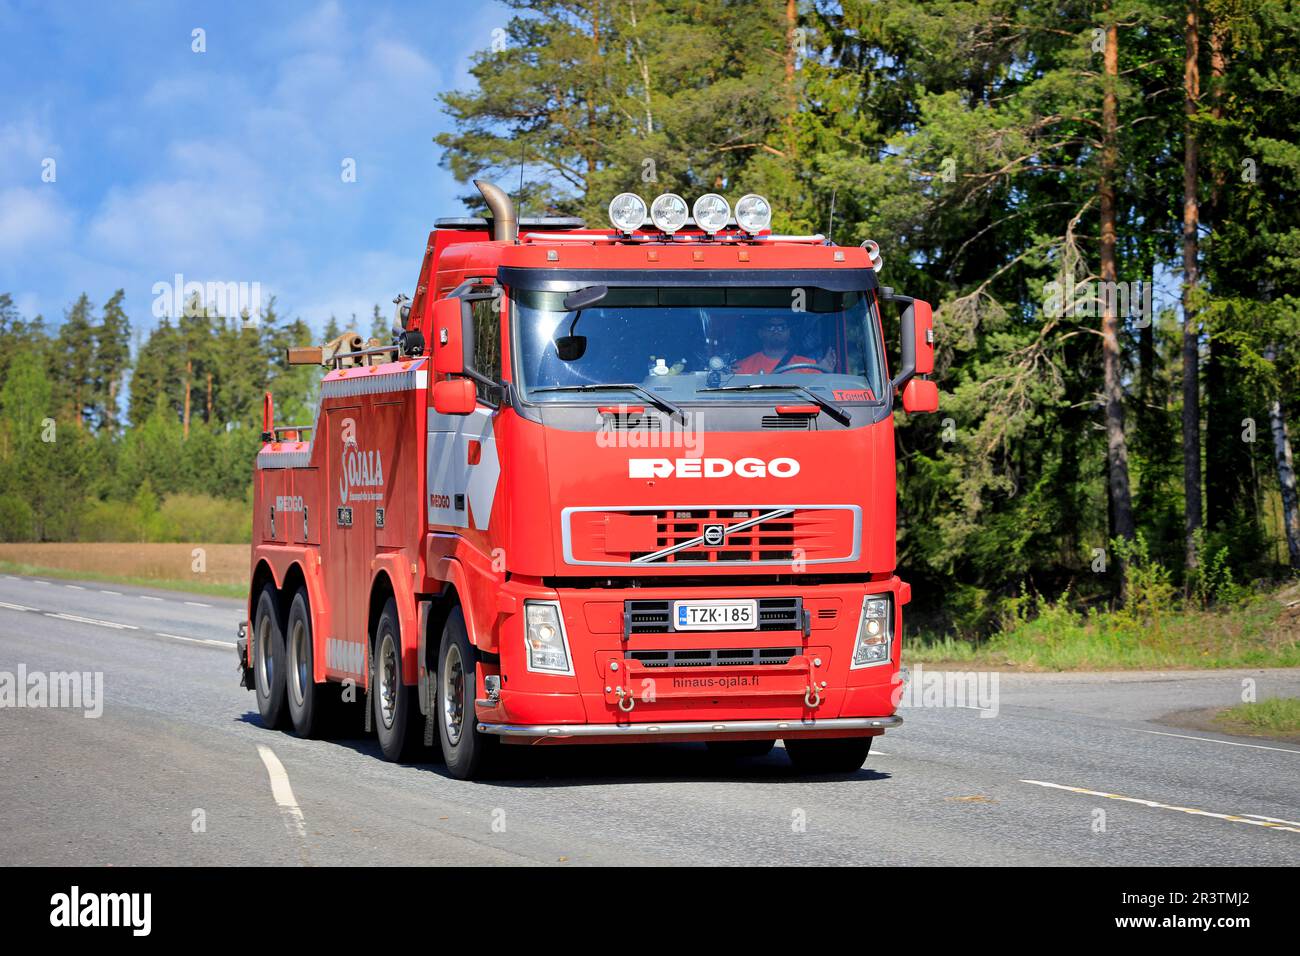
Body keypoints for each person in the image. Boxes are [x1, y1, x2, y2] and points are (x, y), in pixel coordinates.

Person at [732, 317, 818, 374]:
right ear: (760, 333)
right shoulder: (742, 366)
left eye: (782, 327)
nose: (776, 331)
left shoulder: (808, 365)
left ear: (789, 332)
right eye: (770, 327)